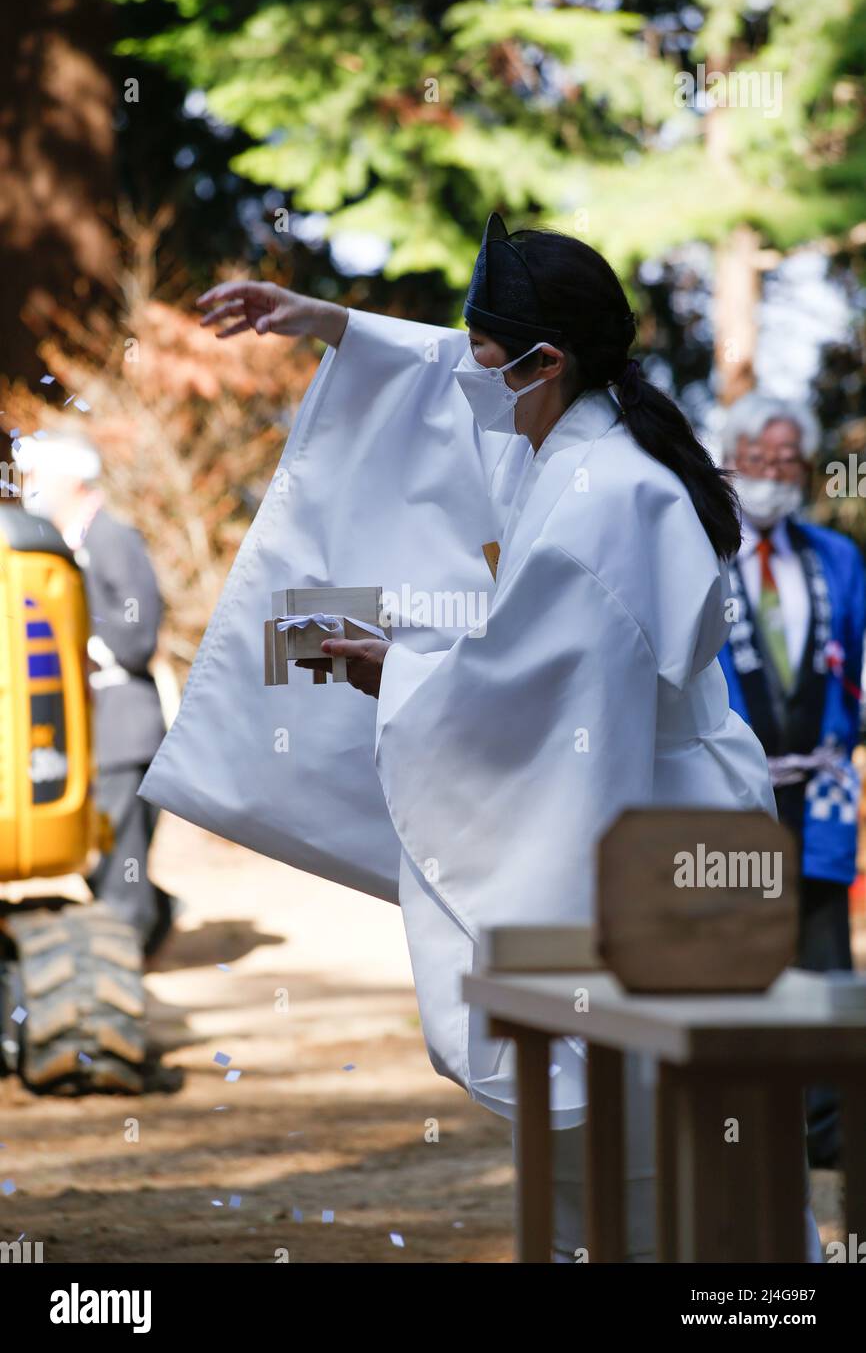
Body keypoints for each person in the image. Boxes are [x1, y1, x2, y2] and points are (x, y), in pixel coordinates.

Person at [195, 213, 821, 1260]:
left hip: (652, 836)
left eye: (486, 348)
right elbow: (454, 375)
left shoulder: (607, 492)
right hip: (656, 820)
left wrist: (387, 666)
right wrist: (329, 324)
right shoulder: (585, 432)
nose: (467, 369)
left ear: (546, 362)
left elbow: (534, 693)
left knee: (686, 1161)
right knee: (639, 1158)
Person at [719, 393, 866, 1169]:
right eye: (758, 459)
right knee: (737, 948)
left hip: (823, 786)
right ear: (731, 462)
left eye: (787, 461)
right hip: (735, 787)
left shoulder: (837, 558)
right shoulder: (706, 553)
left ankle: (828, 1133)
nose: (774, 474)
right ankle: (743, 1122)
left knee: (823, 952)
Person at [19, 434, 174, 960]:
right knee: (106, 863)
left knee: (119, 873)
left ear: (73, 481)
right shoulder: (72, 541)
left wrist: (81, 644)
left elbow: (140, 630)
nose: (32, 487)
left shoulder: (111, 536)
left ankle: (123, 984)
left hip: (123, 731)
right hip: (95, 732)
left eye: (41, 477)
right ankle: (153, 924)